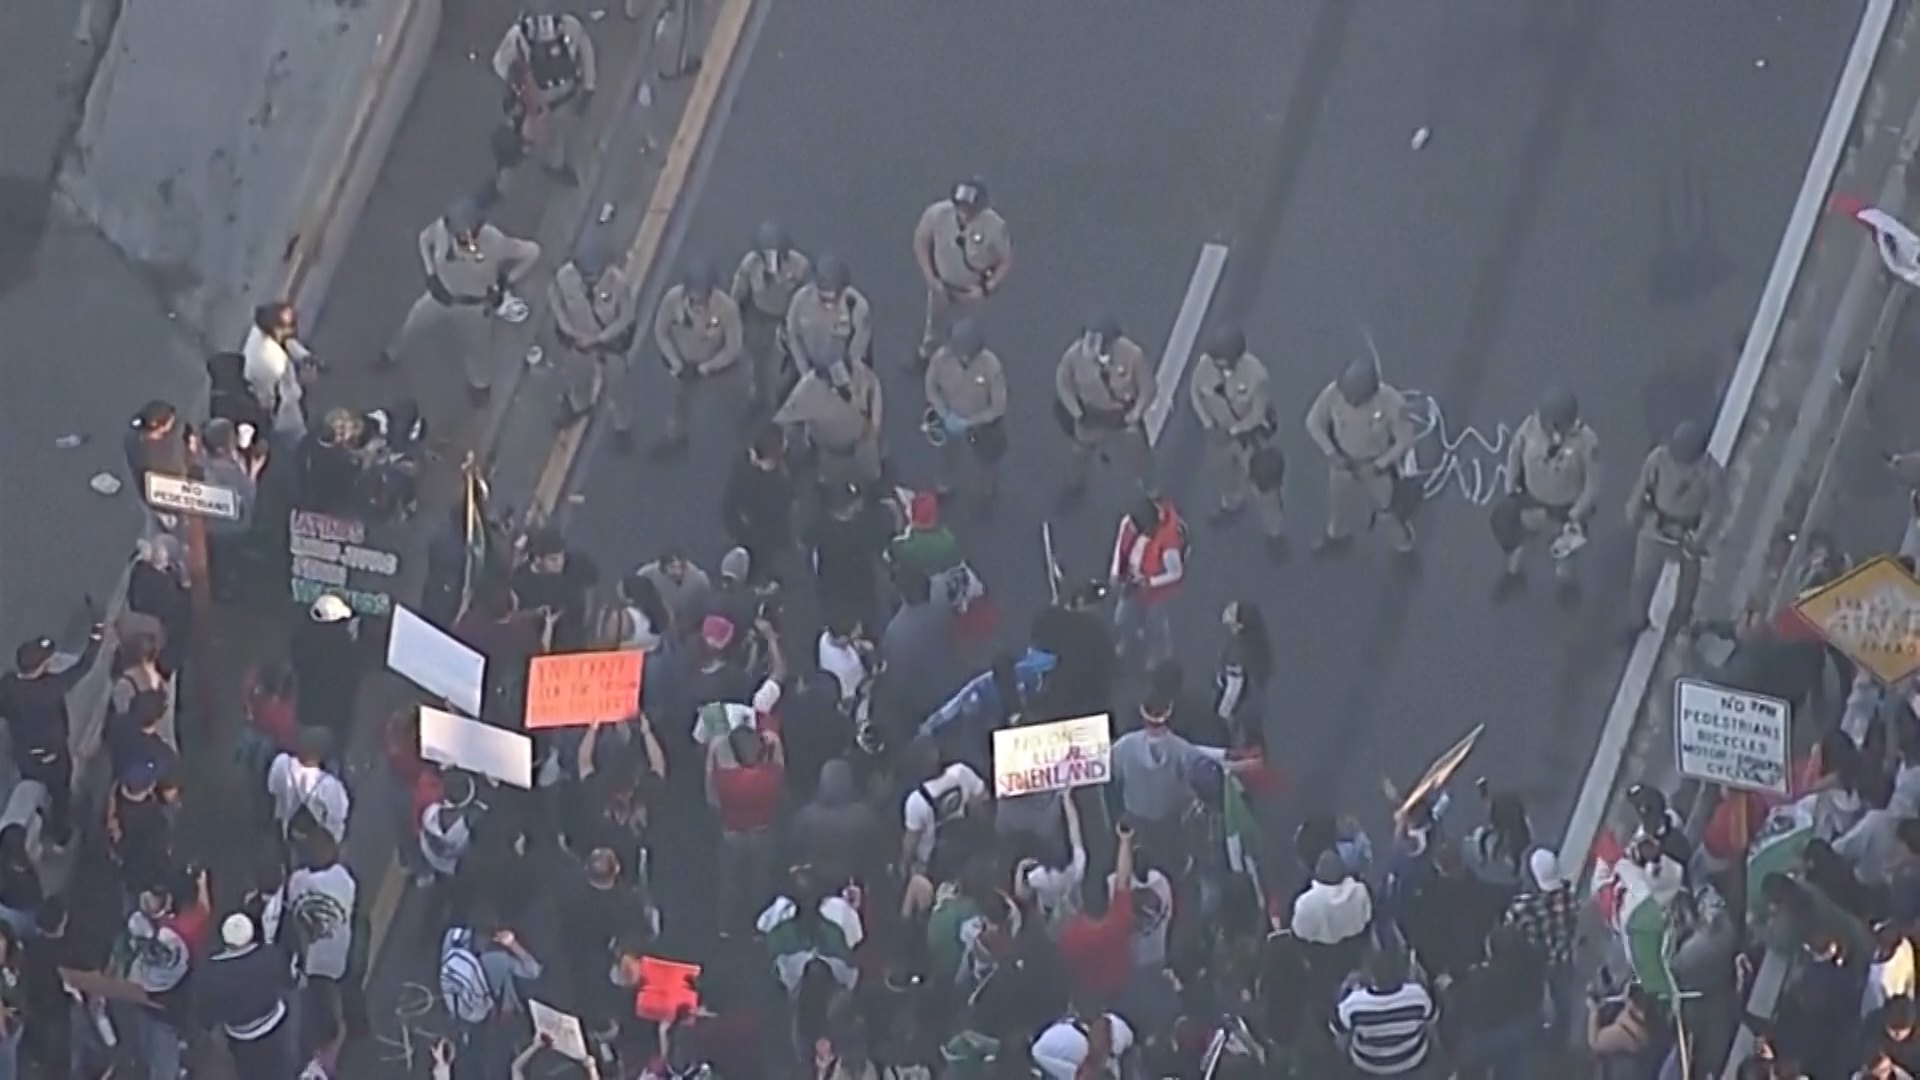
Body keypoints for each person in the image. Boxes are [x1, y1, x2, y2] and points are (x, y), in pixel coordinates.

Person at [381, 196, 542, 402]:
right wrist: (431, 276)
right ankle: (392, 353)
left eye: (466, 233)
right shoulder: (442, 230)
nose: (462, 237)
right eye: (457, 233)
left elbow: (532, 252)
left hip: (472, 308)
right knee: (413, 322)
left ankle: (480, 386)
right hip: (440, 295)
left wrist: (505, 282)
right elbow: (424, 239)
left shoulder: (494, 241)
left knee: (477, 350)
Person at [0, 616, 104, 848]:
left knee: (29, 782)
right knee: (61, 796)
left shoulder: (8, 686)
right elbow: (84, 666)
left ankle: (36, 811)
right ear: (40, 667)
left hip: (25, 754)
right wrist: (97, 634)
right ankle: (60, 836)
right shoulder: (51, 688)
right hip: (54, 756)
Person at [1493, 387, 1601, 601]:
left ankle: (1565, 585)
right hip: (1532, 499)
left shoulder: (1586, 442)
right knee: (1522, 543)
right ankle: (1514, 576)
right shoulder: (1531, 426)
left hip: (1565, 509)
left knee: (1565, 553)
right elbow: (1515, 452)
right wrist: (1512, 488)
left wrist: (1577, 513)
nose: (1548, 426)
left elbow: (1593, 482)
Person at [1304, 356, 1418, 557]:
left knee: (1388, 510)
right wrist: (1331, 453)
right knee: (1338, 503)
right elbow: (1313, 422)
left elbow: (1405, 440)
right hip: (1343, 462)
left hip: (1376, 468)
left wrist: (1380, 465)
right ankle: (1336, 535)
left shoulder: (1393, 403)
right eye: (1348, 396)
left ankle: (1403, 544)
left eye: (1356, 398)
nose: (1350, 401)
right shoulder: (1333, 393)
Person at [1624, 418, 1724, 639]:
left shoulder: (1710, 472)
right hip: (1656, 526)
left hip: (1687, 533)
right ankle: (1635, 621)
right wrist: (1634, 510)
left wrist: (1700, 537)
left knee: (1688, 583)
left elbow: (1714, 509)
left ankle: (1680, 620)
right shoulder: (1659, 458)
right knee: (1642, 577)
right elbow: (1643, 485)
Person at [491, 0, 598, 185]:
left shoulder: (570, 27)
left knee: (558, 135)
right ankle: (511, 164)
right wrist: (517, 88)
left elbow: (586, 51)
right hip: (537, 100)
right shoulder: (518, 37)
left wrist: (589, 86)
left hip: (564, 97)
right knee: (530, 137)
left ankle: (553, 166)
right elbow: (501, 64)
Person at [551, 229, 640, 446]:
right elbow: (555, 300)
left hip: (608, 344)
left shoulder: (618, 283)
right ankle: (579, 405)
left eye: (595, 273)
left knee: (617, 385)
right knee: (577, 377)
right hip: (579, 341)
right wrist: (568, 330)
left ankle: (622, 425)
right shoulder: (565, 277)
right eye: (586, 272)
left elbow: (626, 317)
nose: (590, 277)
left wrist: (601, 338)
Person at [1054, 312, 1153, 505]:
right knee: (1080, 453)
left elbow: (1148, 387)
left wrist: (1136, 412)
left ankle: (1150, 489)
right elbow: (1063, 382)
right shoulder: (1074, 356)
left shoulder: (1133, 355)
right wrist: (1076, 411)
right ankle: (1076, 484)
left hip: (1122, 417)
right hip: (1092, 416)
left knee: (1139, 455)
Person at [651, 259, 747, 455]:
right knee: (679, 403)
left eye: (702, 290)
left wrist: (710, 366)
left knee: (733, 401)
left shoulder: (726, 308)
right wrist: (675, 362)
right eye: (694, 290)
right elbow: (661, 331)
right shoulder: (672, 300)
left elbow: (733, 345)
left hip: (718, 366)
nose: (698, 296)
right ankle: (676, 437)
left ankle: (744, 438)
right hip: (684, 366)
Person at [913, 178, 1013, 364]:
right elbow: (921, 241)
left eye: (971, 209)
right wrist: (931, 279)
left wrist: (986, 288)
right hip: (941, 284)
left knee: (968, 328)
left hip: (971, 289)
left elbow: (1005, 260)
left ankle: (966, 360)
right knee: (934, 323)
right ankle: (928, 353)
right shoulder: (938, 214)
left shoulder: (995, 227)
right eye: (961, 206)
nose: (964, 212)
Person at [1190, 327, 1279, 531]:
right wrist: (1208, 423)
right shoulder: (1205, 366)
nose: (1214, 361)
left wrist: (1235, 430)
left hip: (1249, 436)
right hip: (1219, 433)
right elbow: (1196, 393)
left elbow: (1258, 413)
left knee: (1263, 484)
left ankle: (1273, 526)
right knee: (1222, 472)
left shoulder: (1256, 376)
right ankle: (1231, 504)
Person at [924, 318, 1009, 513]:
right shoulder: (941, 358)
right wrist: (943, 412)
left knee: (988, 459)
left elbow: (998, 406)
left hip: (981, 423)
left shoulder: (991, 366)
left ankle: (988, 489)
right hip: (949, 417)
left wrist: (970, 421)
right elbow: (930, 386)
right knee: (948, 455)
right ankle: (946, 484)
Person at [200, 913, 301, 1077]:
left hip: (241, 1035)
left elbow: (207, 1012)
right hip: (275, 1025)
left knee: (248, 1071)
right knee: (282, 1068)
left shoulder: (210, 972)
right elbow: (289, 982)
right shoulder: (271, 955)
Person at [708, 725, 785, 935]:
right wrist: (776, 742)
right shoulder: (770, 777)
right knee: (760, 881)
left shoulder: (726, 779)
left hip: (732, 834)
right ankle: (758, 926)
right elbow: (780, 765)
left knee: (729, 880)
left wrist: (714, 747)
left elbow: (711, 788)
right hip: (761, 834)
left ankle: (724, 926)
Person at [732, 220, 812, 413]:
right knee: (757, 359)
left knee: (787, 362)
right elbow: (737, 294)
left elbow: (808, 295)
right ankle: (757, 393)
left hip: (787, 319)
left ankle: (787, 396)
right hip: (759, 319)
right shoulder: (750, 265)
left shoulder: (800, 265)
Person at [1108, 494, 1187, 673]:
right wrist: (1115, 573)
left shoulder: (1168, 544)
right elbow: (1120, 548)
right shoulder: (1129, 523)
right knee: (1122, 616)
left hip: (1156, 591)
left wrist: (1150, 582)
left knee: (1155, 621)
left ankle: (1159, 652)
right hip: (1132, 581)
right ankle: (1124, 641)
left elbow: (1176, 572)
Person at [1334, 946, 1439, 1077]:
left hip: (1367, 1063)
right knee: (1428, 1020)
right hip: (1413, 1058)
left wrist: (1345, 989)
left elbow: (1337, 1029)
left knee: (1343, 1031)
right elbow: (1433, 1018)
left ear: (1367, 974)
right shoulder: (1417, 995)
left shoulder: (1353, 1003)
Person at [786, 253, 873, 392]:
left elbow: (859, 349)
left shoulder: (857, 307)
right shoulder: (801, 301)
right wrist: (805, 372)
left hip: (843, 371)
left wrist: (847, 381)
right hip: (809, 368)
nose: (828, 298)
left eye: (833, 293)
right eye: (823, 292)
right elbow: (792, 335)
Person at [721, 425, 799, 581]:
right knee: (765, 556)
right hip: (769, 529)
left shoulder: (742, 465)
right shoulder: (779, 484)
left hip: (747, 524)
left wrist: (736, 528)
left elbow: (729, 502)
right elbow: (785, 510)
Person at [198, 417, 263, 599]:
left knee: (219, 557)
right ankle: (225, 590)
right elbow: (249, 497)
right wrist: (254, 471)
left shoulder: (203, 460)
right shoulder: (227, 472)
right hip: (229, 527)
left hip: (211, 525)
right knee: (227, 560)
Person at [242, 299, 319, 443]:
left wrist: (304, 357)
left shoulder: (263, 330)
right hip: (281, 410)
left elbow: (286, 341)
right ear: (278, 329)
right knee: (296, 436)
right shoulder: (271, 362)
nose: (295, 328)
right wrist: (302, 381)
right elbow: (282, 394)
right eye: (291, 326)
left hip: (280, 397)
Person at [269, 726, 350, 843]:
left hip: (280, 841)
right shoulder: (331, 787)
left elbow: (271, 793)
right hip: (312, 850)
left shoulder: (281, 764)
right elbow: (336, 828)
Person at [1213, 600, 1273, 742]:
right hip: (1252, 697)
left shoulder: (1237, 652)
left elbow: (1233, 690)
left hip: (1240, 705)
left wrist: (1222, 714)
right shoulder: (1256, 643)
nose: (1227, 613)